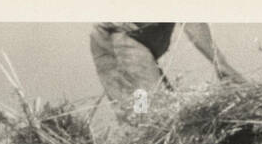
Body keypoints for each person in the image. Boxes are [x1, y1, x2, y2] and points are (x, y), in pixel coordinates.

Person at [89, 23, 244, 116]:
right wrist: (221, 64)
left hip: (138, 43)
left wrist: (220, 63)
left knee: (155, 108)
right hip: (120, 39)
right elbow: (192, 21)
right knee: (149, 112)